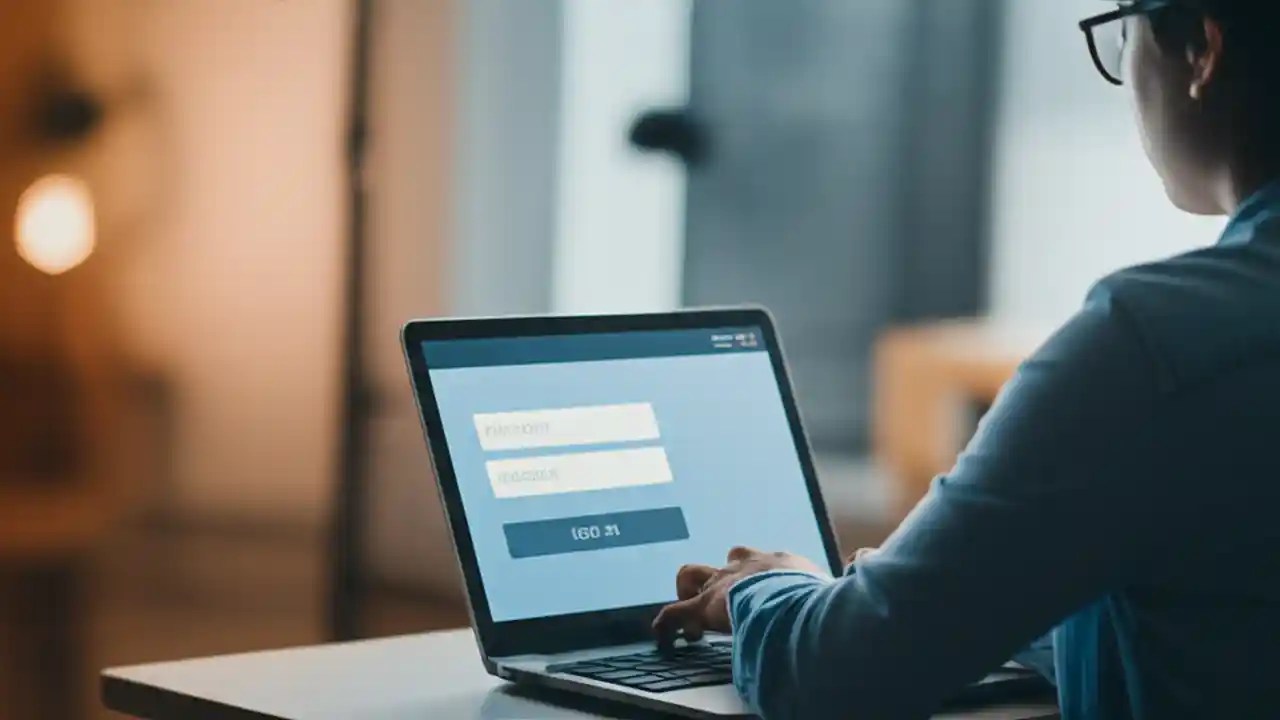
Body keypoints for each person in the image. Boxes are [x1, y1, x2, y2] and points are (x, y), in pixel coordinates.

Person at [652, 1, 1280, 717]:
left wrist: (764, 588)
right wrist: (951, 593)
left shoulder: (1152, 345)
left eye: (1125, 32)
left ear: (1202, 49)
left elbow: (833, 676)